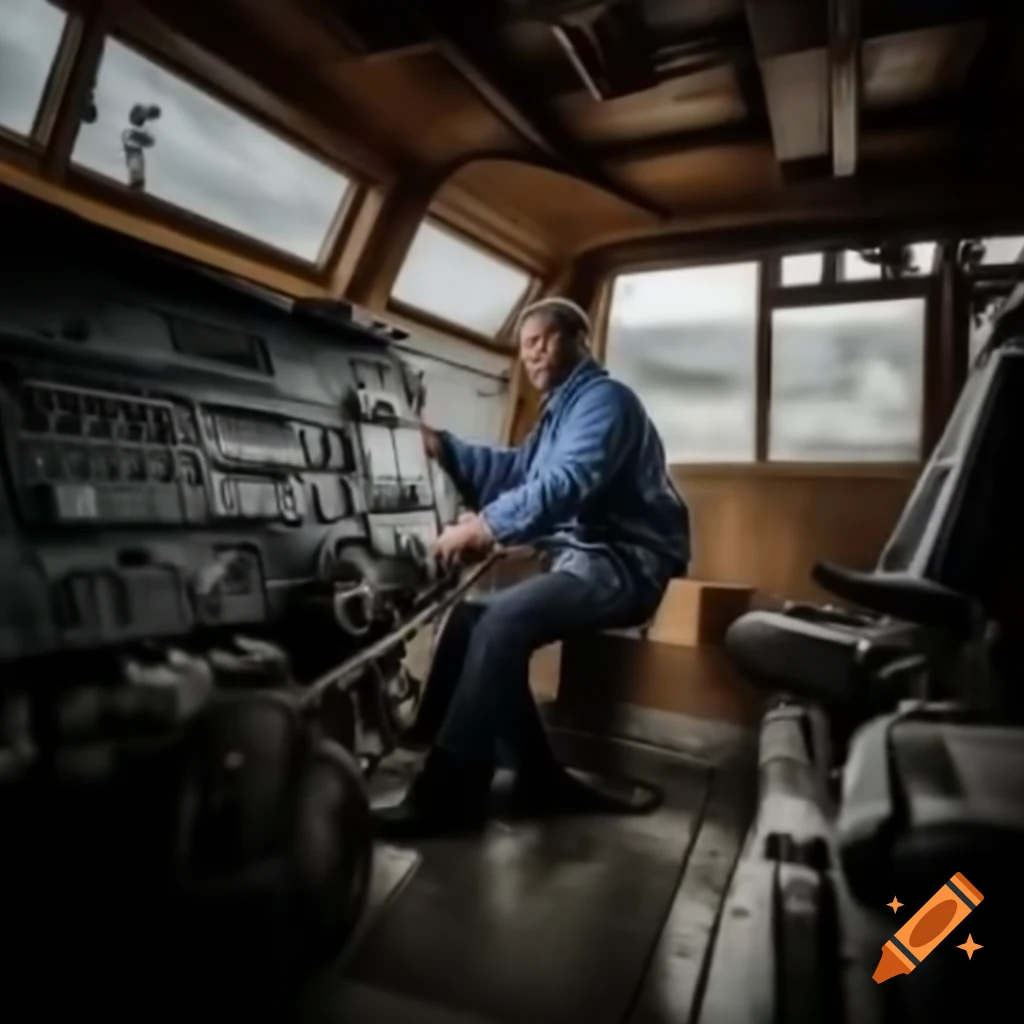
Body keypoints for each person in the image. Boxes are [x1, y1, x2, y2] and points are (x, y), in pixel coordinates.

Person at [376, 297, 690, 838]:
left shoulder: (605, 402)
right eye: (525, 345)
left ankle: (451, 794)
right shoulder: (557, 415)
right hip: (585, 559)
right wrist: (442, 446)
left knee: (502, 622)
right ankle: (528, 772)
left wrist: (483, 527)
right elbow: (519, 472)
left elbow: (566, 482)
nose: (533, 352)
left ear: (580, 341)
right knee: (471, 618)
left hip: (626, 563)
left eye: (546, 339)